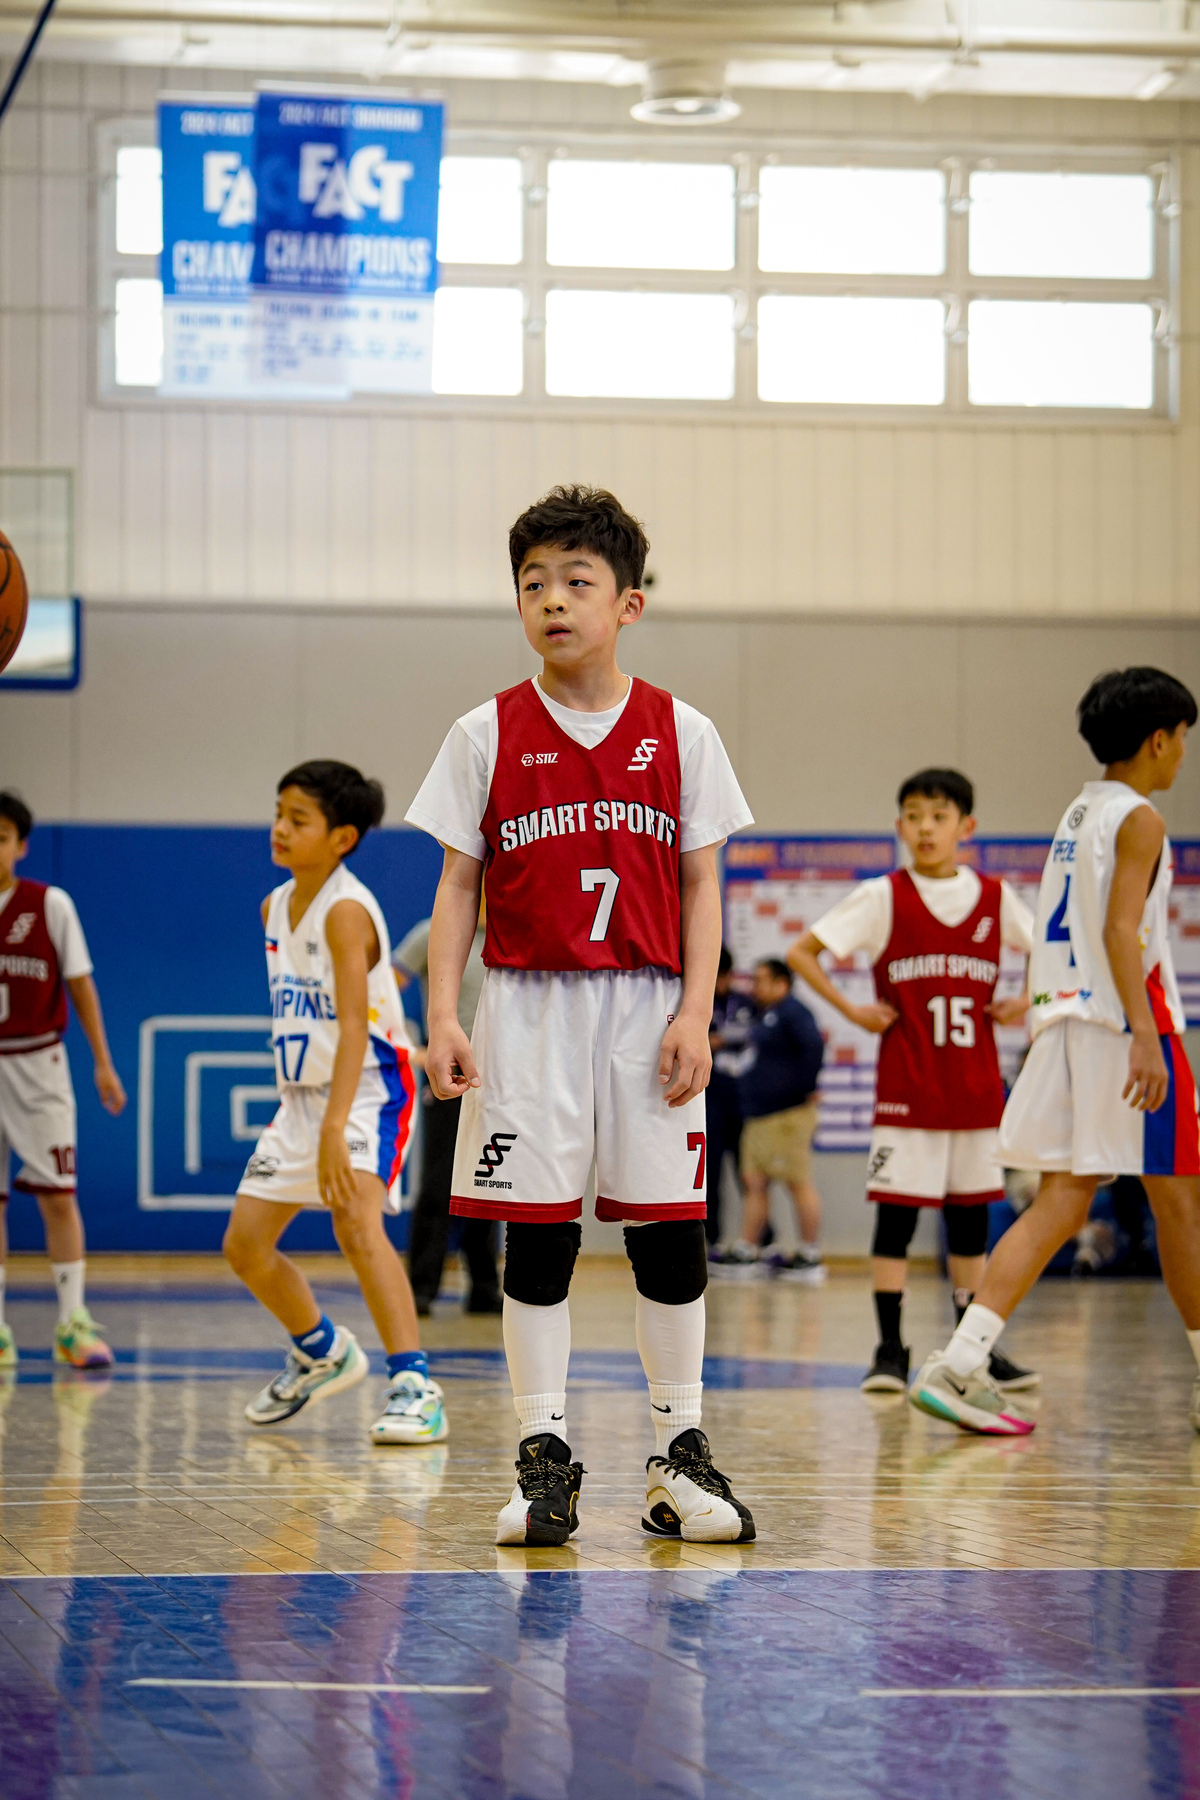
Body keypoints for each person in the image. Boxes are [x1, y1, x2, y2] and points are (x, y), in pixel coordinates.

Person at [406, 484, 757, 1547]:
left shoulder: (681, 730)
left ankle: (678, 1456)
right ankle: (542, 1459)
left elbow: (703, 884)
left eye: (576, 581)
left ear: (628, 603)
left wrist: (697, 1010)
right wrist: (444, 1014)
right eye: (532, 583)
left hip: (647, 1003)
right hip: (525, 1004)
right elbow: (459, 887)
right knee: (538, 1237)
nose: (552, 600)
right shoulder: (484, 732)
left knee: (669, 1231)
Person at [909, 671, 1200, 1436]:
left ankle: (960, 1364)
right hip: (1126, 1027)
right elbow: (1118, 932)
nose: (1182, 758)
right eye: (1183, 741)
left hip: (1065, 1026)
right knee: (1180, 1202)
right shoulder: (1141, 819)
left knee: (1062, 1201)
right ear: (1160, 738)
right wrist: (1146, 1035)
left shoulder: (1081, 811)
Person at [789, 769, 1037, 1394]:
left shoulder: (996, 897)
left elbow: (1054, 950)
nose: (926, 827)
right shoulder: (881, 896)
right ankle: (890, 1348)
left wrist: (1027, 998)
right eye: (914, 815)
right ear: (900, 826)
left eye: (940, 816)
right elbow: (802, 953)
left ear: (966, 827)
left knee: (970, 1226)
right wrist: (852, 1011)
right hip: (906, 1094)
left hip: (976, 1094)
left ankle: (970, 1349)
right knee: (895, 1223)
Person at [223, 760, 447, 1446]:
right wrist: (309, 1116)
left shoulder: (347, 911)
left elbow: (354, 1025)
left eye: (299, 819)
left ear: (342, 836)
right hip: (302, 1098)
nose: (281, 829)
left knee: (356, 1220)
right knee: (244, 1247)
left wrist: (331, 1127)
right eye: (278, 814)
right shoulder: (273, 906)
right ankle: (321, 1350)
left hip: (368, 1088)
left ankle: (414, 1383)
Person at [0, 791, 126, 1370]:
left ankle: (72, 1323)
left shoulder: (49, 905)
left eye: (2, 837)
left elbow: (81, 986)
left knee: (57, 1196)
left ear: (21, 846)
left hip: (38, 1063)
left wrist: (102, 1061)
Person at [394, 903, 503, 1315]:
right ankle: (420, 1289)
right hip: (449, 1073)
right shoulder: (434, 930)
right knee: (439, 1182)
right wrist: (412, 1048)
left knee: (490, 1181)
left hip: (499, 1077)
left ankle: (484, 1288)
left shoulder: (511, 931)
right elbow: (383, 988)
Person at [715, 958, 826, 1281]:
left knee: (797, 1181)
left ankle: (809, 1254)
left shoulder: (793, 1013)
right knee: (755, 1182)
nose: (755, 987)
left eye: (762, 980)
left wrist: (805, 1089)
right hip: (759, 1115)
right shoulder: (765, 1016)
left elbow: (814, 1046)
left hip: (786, 1115)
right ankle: (749, 1248)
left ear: (782, 983)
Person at [705, 946, 755, 1249]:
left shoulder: (746, 1003)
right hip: (710, 1099)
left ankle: (759, 1241)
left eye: (723, 976)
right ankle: (711, 1239)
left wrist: (722, 1040)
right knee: (710, 1173)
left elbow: (755, 1036)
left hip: (744, 1099)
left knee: (750, 1173)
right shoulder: (698, 1000)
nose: (719, 983)